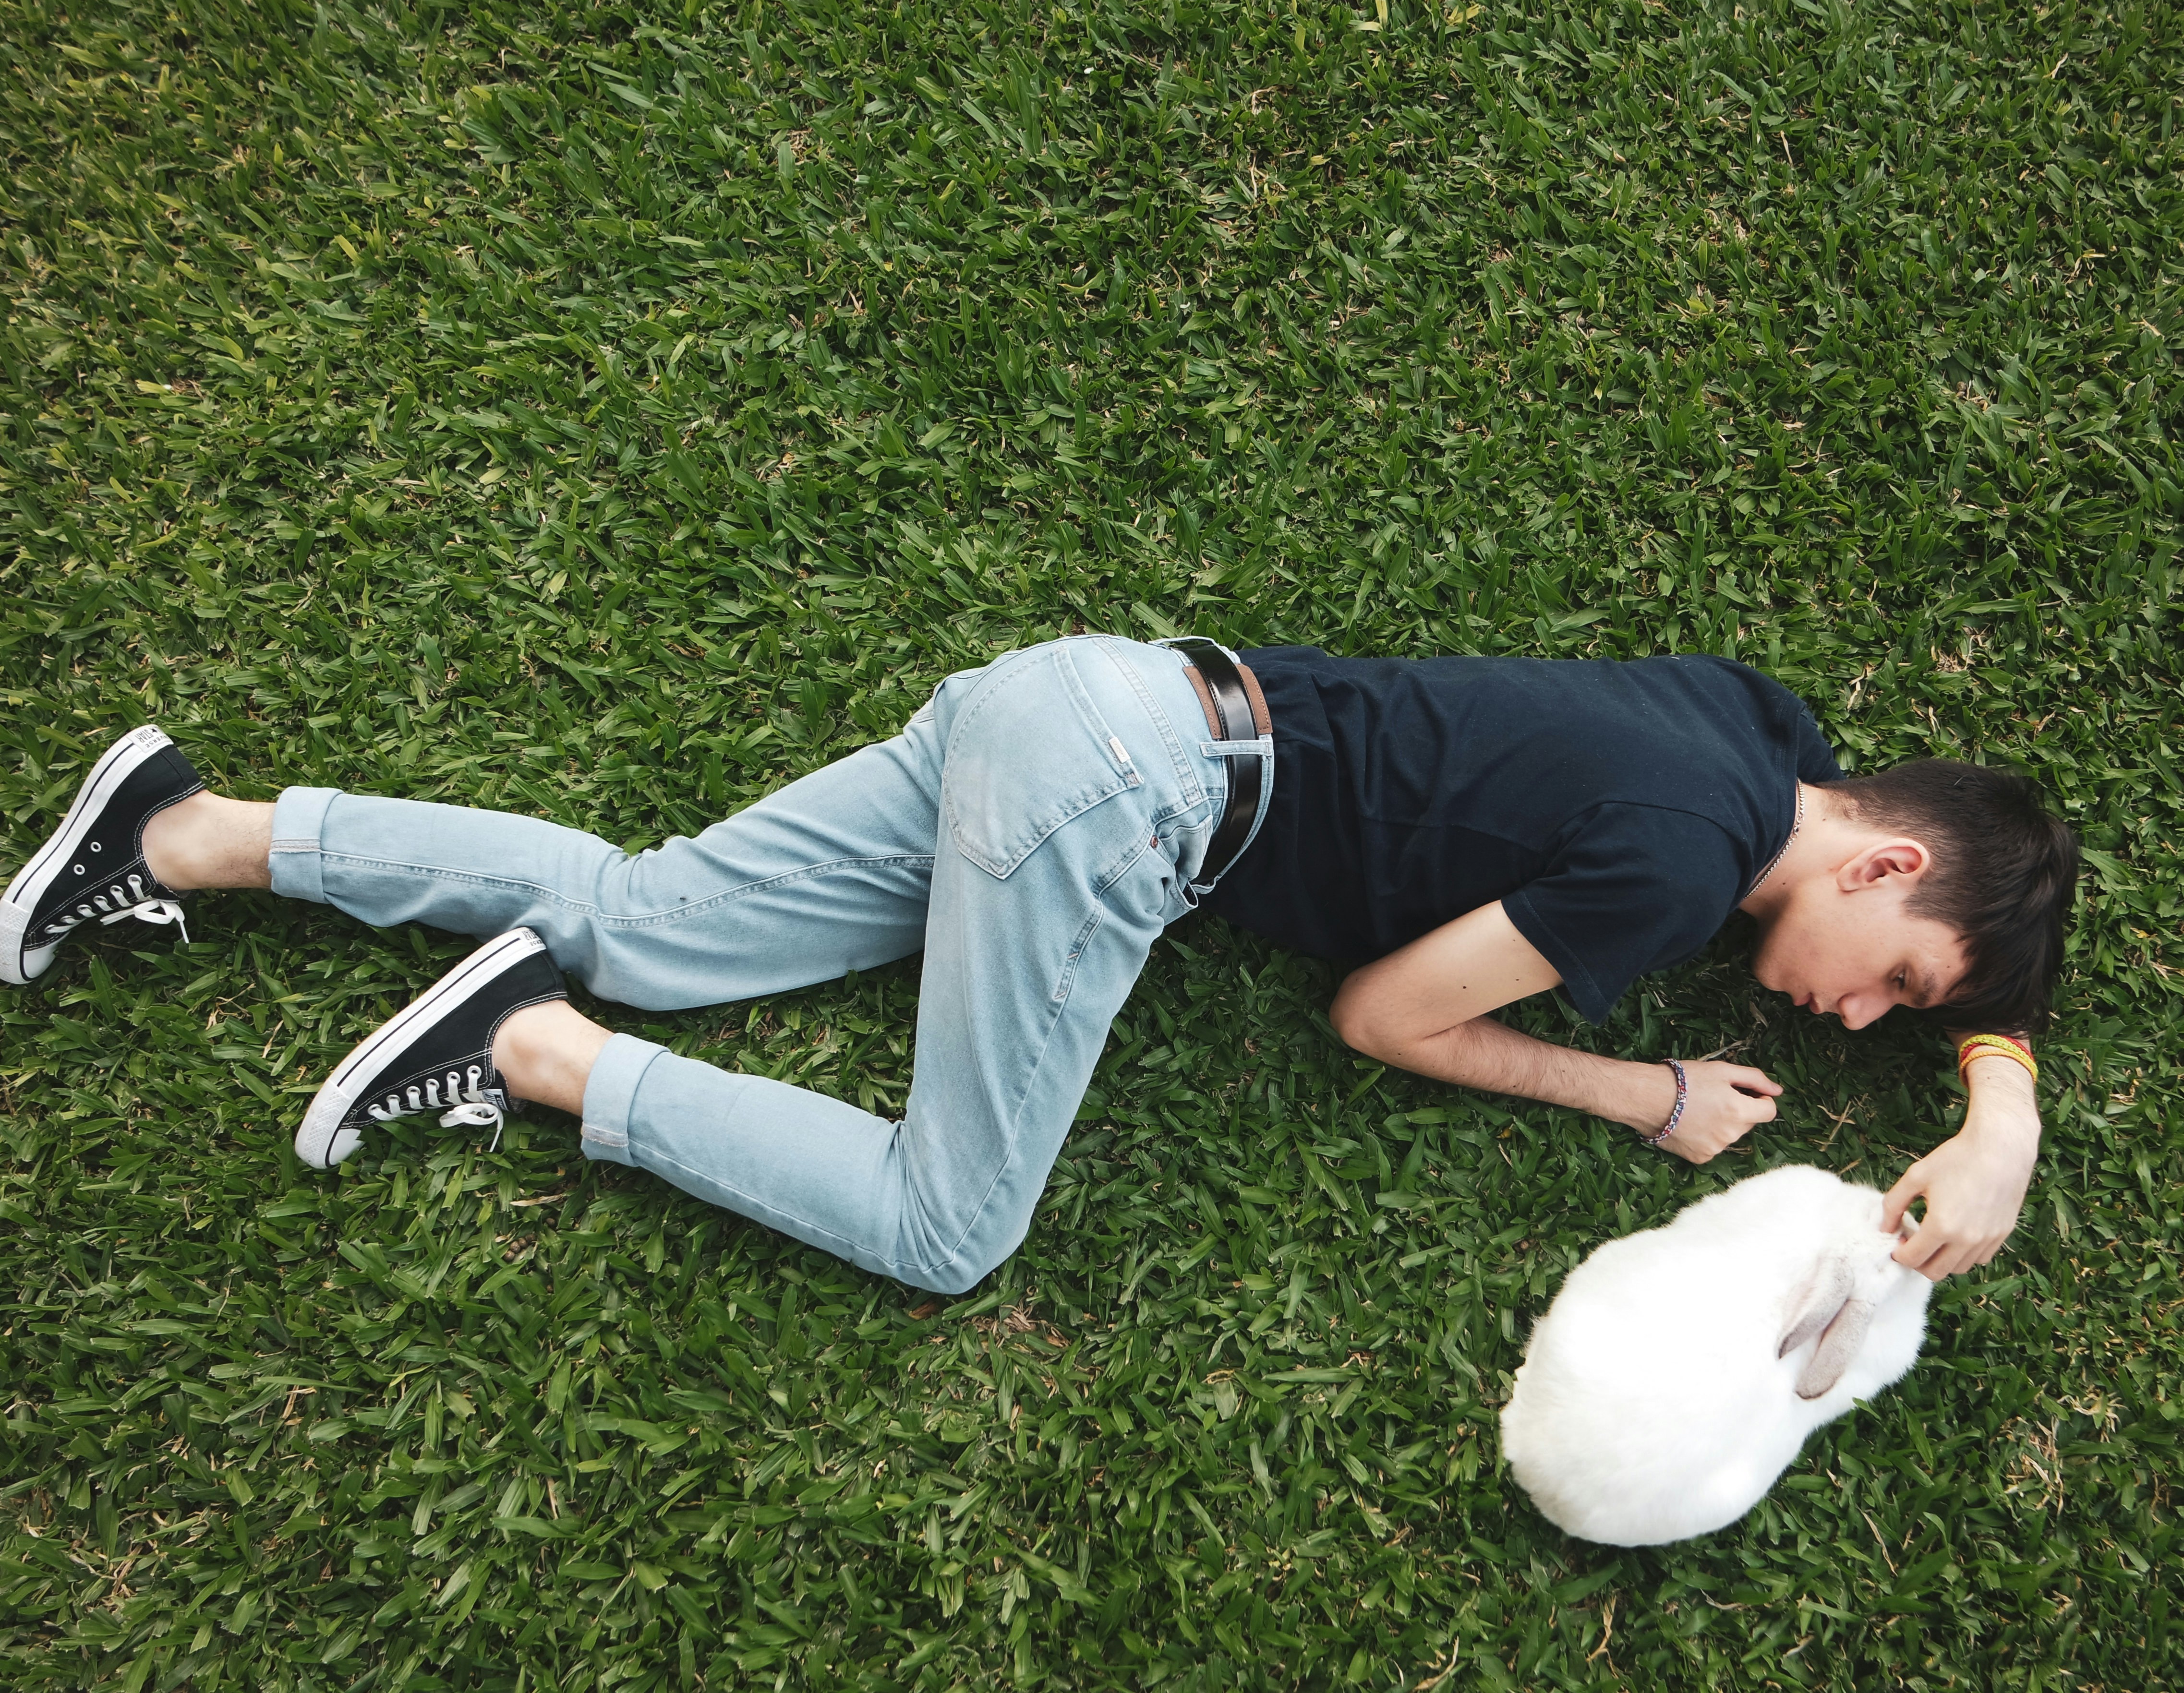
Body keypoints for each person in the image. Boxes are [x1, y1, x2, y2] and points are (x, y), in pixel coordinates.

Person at [1, 636, 2076, 1294]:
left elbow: (1962, 922)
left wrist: (1999, 1103)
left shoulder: (1752, 729)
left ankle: (190, 830)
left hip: (1082, 696)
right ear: (1884, 858)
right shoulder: (1675, 872)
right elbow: (1382, 1014)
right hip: (1124, 820)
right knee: (948, 1227)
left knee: (650, 912)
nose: (1856, 1016)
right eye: (1894, 983)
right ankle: (540, 1052)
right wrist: (1643, 1092)